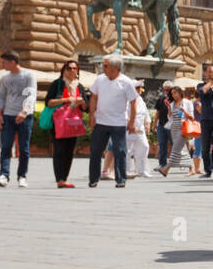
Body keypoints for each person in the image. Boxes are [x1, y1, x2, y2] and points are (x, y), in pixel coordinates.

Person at [87, 53, 137, 188]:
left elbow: (133, 103)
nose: (102, 68)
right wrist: (92, 116)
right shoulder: (99, 79)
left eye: (105, 66)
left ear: (115, 68)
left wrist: (131, 122)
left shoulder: (126, 82)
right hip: (101, 122)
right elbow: (94, 98)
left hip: (118, 123)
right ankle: (93, 179)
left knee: (120, 151)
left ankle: (120, 179)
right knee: (95, 151)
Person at [0, 51, 36, 188]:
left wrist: (24, 111)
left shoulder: (28, 75)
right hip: (8, 116)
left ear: (12, 62)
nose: (2, 64)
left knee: (23, 148)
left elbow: (32, 94)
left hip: (25, 117)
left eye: (4, 62)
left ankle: (22, 176)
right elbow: (2, 96)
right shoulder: (5, 77)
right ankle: (4, 175)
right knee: (5, 147)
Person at [45, 60, 89, 188]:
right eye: (69, 68)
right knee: (59, 150)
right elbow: (48, 102)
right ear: (64, 70)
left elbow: (85, 107)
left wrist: (81, 102)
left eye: (74, 68)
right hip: (58, 122)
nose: (72, 71)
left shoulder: (79, 86)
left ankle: (64, 178)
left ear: (77, 71)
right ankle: (60, 179)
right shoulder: (57, 84)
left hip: (72, 122)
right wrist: (65, 100)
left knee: (69, 151)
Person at [126, 81, 151, 178]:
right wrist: (130, 123)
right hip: (129, 128)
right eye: (137, 88)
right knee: (127, 150)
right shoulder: (127, 99)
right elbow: (124, 113)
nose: (139, 90)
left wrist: (148, 123)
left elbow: (146, 113)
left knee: (144, 147)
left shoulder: (140, 100)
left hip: (140, 129)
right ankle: (126, 170)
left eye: (140, 88)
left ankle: (142, 170)